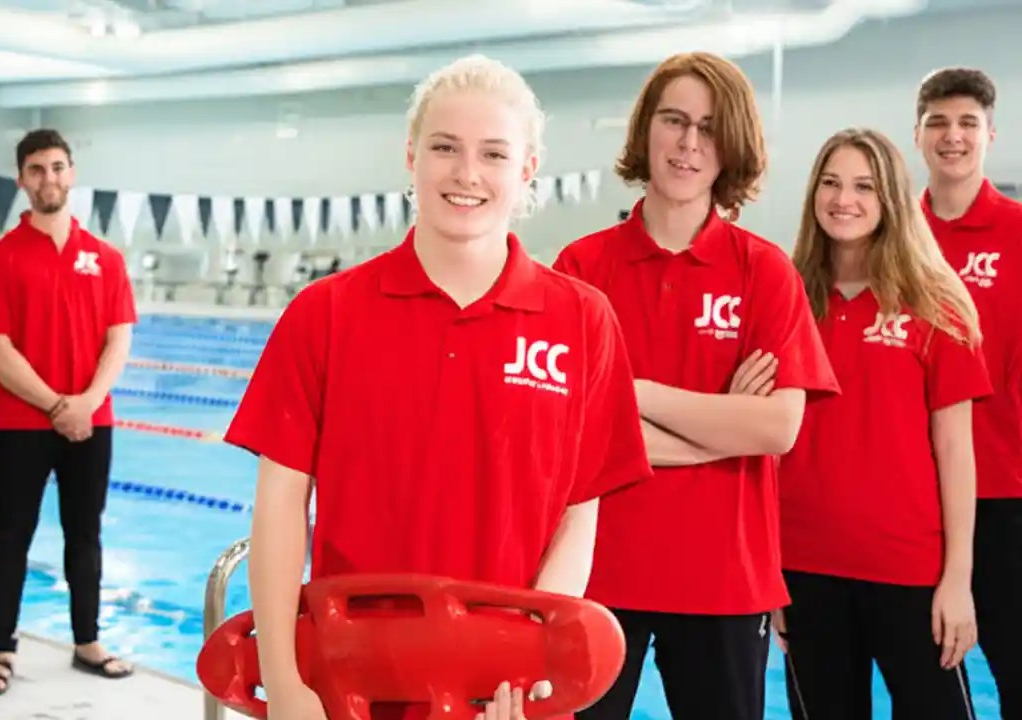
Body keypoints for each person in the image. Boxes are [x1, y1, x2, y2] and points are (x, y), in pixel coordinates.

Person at [224, 54, 652, 720]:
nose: (467, 174)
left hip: (502, 694)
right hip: (349, 684)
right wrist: (284, 681)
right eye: (445, 147)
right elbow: (280, 506)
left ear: (527, 169)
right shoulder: (326, 313)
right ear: (412, 156)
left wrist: (530, 668)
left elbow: (580, 512)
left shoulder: (582, 320)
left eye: (494, 153)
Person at [552, 52, 840, 720]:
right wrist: (724, 425)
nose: (688, 143)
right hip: (599, 572)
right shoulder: (580, 270)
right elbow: (571, 431)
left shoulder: (764, 273)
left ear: (732, 146)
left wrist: (635, 393)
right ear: (645, 131)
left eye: (709, 129)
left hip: (725, 579)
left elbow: (777, 429)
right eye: (674, 121)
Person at [778, 127, 987, 719]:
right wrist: (768, 574)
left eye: (864, 187)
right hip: (806, 567)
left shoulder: (935, 304)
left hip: (909, 571)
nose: (845, 199)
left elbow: (955, 452)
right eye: (832, 183)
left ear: (891, 197)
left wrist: (957, 579)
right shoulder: (786, 299)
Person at [0, 129, 137, 696]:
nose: (49, 179)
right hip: (20, 424)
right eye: (36, 170)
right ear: (21, 180)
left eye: (57, 167)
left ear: (72, 172)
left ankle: (87, 641)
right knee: (12, 533)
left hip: (92, 419)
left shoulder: (105, 258)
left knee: (85, 534)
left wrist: (86, 403)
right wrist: (59, 404)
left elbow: (119, 339)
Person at [915, 67, 1022, 719]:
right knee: (925, 678)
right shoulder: (893, 237)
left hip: (1008, 493)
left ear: (989, 135)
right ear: (918, 134)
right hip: (918, 499)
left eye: (966, 123)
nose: (952, 137)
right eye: (937, 122)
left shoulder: (1017, 232)